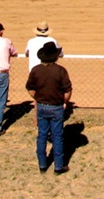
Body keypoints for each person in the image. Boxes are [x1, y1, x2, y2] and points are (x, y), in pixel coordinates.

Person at [26, 41, 72, 175]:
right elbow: (67, 90)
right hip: (56, 106)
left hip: (41, 106)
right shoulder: (60, 71)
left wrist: (37, 98)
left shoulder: (36, 70)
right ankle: (58, 166)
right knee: (57, 136)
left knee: (42, 135)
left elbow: (30, 88)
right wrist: (65, 102)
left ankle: (42, 165)